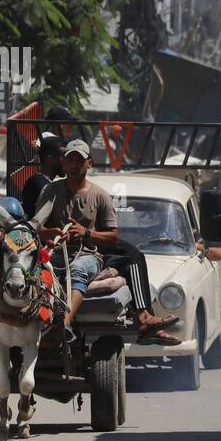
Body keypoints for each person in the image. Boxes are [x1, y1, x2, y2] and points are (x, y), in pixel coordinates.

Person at [33, 139, 181, 345]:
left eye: (79, 160)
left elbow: (113, 237)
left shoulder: (100, 195)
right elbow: (36, 228)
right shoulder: (51, 191)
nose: (75, 165)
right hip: (55, 253)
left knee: (128, 258)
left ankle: (64, 325)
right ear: (63, 163)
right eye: (70, 160)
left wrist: (85, 233)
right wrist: (51, 233)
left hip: (88, 255)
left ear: (89, 163)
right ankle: (144, 319)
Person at [22, 135, 63, 218]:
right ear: (49, 159)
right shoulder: (41, 184)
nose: (67, 161)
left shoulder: (39, 181)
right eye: (63, 156)